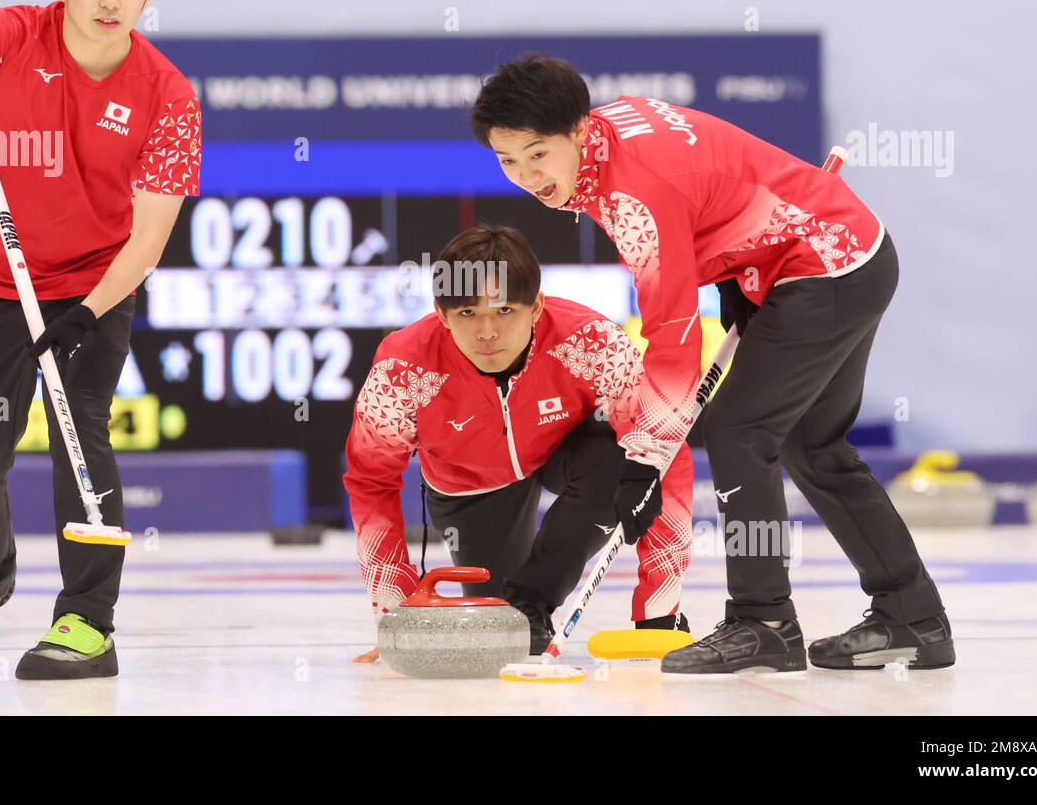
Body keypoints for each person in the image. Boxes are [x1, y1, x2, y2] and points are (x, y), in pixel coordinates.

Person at [470, 54, 953, 674]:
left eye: (538, 155)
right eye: (508, 161)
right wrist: (732, 273)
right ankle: (912, 617)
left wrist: (643, 460)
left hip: (821, 266)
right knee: (814, 446)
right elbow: (719, 180)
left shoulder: (631, 193)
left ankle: (763, 621)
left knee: (738, 431)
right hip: (844, 251)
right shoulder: (609, 132)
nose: (526, 177)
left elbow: (670, 337)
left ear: (580, 131)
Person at [0, 0, 201, 679]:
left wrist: (89, 314)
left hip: (91, 290)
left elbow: (149, 236)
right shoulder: (16, 30)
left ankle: (86, 622)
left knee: (81, 442)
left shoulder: (168, 95)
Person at [345, 224, 692, 659]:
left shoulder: (590, 342)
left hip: (565, 450)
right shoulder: (403, 371)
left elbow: (661, 450)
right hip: (471, 485)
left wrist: (658, 611)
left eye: (505, 310)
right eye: (468, 314)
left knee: (619, 458)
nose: (487, 332)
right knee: (503, 628)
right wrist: (393, 610)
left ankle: (534, 599)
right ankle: (515, 609)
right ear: (440, 313)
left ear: (537, 306)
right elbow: (370, 481)